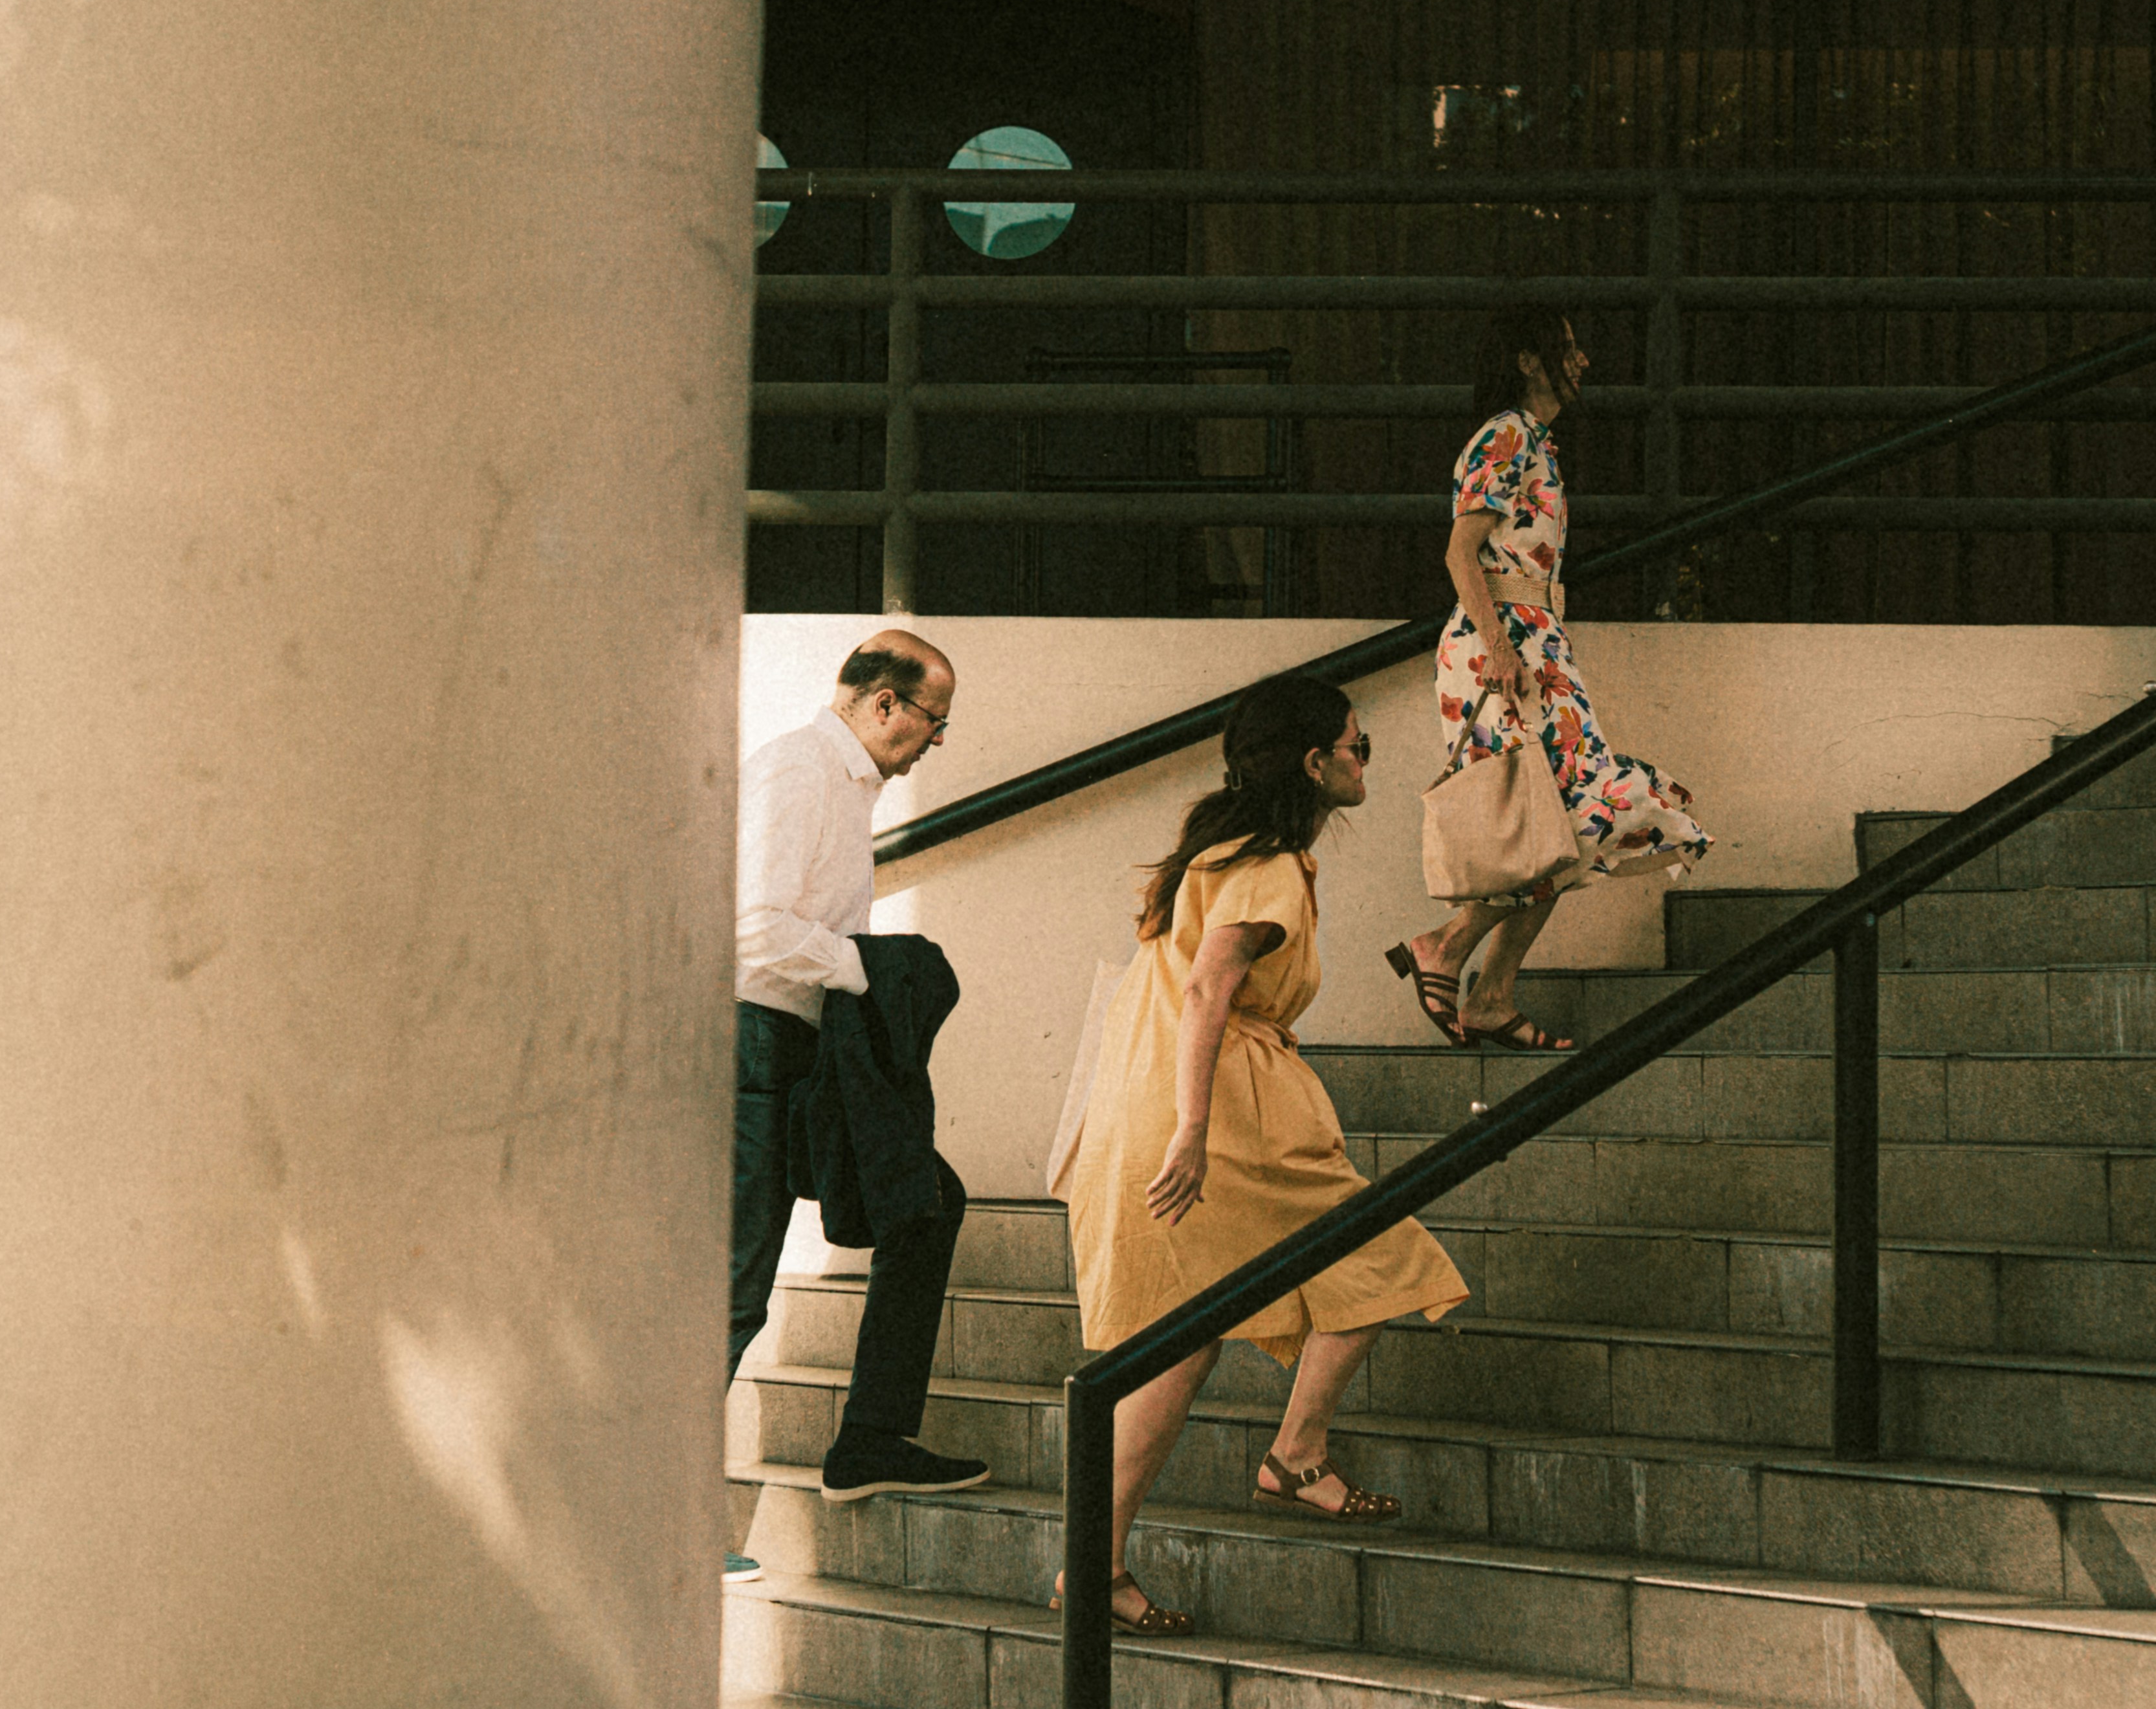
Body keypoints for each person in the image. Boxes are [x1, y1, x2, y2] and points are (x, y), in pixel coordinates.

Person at [1057, 675, 1470, 1637]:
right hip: (1223, 1114)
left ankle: (1098, 1568)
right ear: (1313, 761)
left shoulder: (1216, 850)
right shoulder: (1268, 863)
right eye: (1355, 746)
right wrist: (1193, 1129)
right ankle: (1295, 1454)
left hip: (1154, 1093)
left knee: (1176, 1341)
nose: (1365, 759)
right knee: (1387, 1254)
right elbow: (1206, 994)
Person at [726, 630, 987, 1586]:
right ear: (884, 703)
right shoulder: (796, 772)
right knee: (737, 1281)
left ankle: (871, 1437)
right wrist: (868, 971)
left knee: (926, 1201)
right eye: (932, 720)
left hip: (809, 1045)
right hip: (759, 1041)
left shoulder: (846, 784)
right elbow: (751, 923)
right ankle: (666, 1522)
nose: (934, 740)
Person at [1386, 308, 1713, 1049]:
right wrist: (1501, 649)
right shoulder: (1504, 434)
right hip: (1500, 646)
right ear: (1530, 360)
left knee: (1563, 822)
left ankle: (1486, 985)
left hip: (1535, 642)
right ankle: (1450, 957)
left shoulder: (1535, 443)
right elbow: (1458, 554)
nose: (1583, 360)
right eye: (1568, 348)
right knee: (1548, 813)